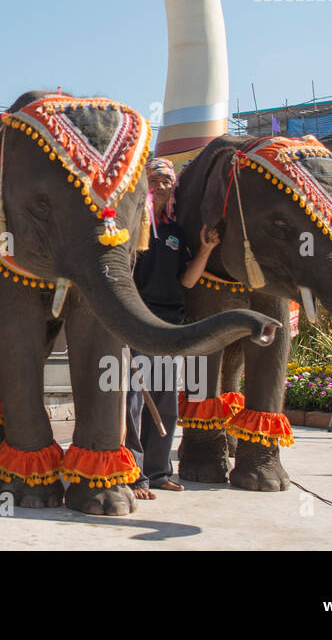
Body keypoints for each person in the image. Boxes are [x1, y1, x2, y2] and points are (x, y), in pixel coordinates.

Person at [126, 158, 219, 499]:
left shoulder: (176, 232)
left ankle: (159, 471)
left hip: (171, 325)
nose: (162, 187)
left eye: (167, 181)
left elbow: (188, 281)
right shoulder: (133, 227)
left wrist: (206, 249)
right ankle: (133, 475)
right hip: (137, 322)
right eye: (155, 180)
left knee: (165, 402)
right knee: (134, 401)